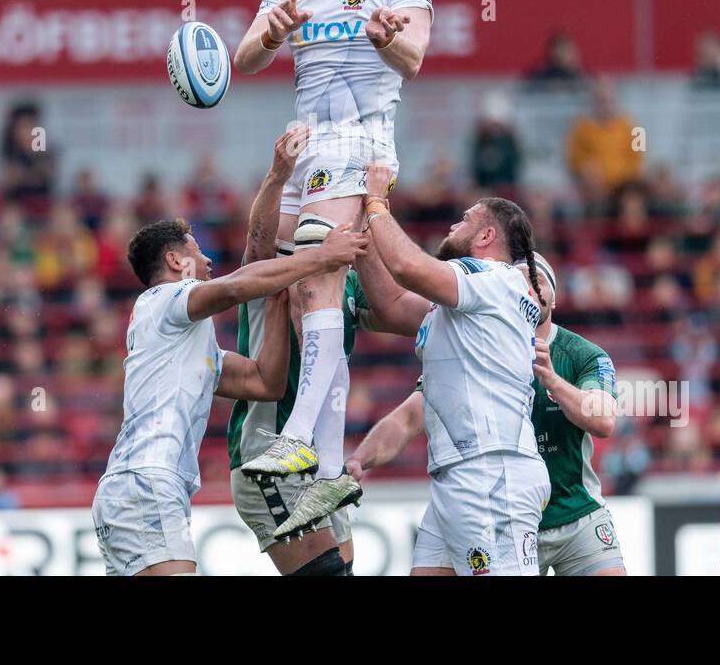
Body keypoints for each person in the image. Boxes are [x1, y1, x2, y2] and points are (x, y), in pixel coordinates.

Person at [231, 0, 434, 519]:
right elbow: (243, 61)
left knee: (316, 265)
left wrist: (389, 38)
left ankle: (295, 441)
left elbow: (415, 59)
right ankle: (326, 467)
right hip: (306, 145)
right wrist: (272, 32)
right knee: (297, 289)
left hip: (359, 145)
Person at [90, 153, 368, 576]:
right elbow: (236, 286)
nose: (208, 263)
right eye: (198, 253)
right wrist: (320, 258)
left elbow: (265, 381)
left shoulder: (187, 347)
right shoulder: (162, 300)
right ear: (175, 262)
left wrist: (278, 295)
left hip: (140, 486)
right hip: (147, 481)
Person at [310, 165, 548, 574]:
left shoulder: (491, 277)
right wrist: (363, 234)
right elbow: (391, 303)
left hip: (490, 472)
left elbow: (407, 268)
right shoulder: (469, 306)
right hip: (462, 473)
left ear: (487, 236)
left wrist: (376, 200)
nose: (455, 224)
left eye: (466, 219)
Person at [347, 252, 626, 575]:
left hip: (575, 517)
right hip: (494, 512)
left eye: (537, 280)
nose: (528, 287)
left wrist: (551, 379)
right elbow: (409, 418)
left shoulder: (581, 355)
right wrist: (359, 460)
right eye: (517, 280)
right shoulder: (472, 352)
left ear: (554, 297)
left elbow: (603, 420)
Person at [228, 129, 403, 573]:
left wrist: (372, 216)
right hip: (268, 458)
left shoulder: (346, 285)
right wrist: (277, 175)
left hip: (323, 473)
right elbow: (256, 242)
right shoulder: (271, 272)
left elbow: (398, 311)